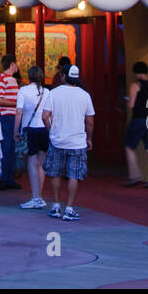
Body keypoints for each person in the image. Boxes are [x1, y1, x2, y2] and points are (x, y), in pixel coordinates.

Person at [42, 64, 95, 221]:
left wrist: (51, 130)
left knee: (55, 173)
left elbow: (45, 116)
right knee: (74, 175)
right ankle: (70, 208)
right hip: (77, 142)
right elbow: (90, 120)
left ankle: (56, 206)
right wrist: (89, 138)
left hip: (57, 140)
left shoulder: (54, 93)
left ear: (63, 76)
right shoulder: (85, 95)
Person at [14, 64, 50, 209]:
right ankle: (39, 196)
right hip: (44, 128)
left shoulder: (23, 91)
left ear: (29, 77)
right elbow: (49, 113)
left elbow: (19, 112)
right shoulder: (47, 91)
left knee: (31, 163)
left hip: (30, 129)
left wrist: (15, 131)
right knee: (41, 164)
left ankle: (35, 197)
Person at [124, 61, 148, 188]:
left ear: (136, 73)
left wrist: (128, 99)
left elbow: (131, 105)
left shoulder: (136, 85)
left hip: (139, 119)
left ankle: (135, 175)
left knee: (129, 146)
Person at [0, 54, 20, 190]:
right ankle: (4, 179)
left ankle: (9, 179)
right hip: (5, 117)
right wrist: (16, 104)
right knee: (6, 148)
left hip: (13, 117)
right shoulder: (1, 79)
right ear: (12, 64)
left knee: (11, 148)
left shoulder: (11, 80)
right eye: (16, 63)